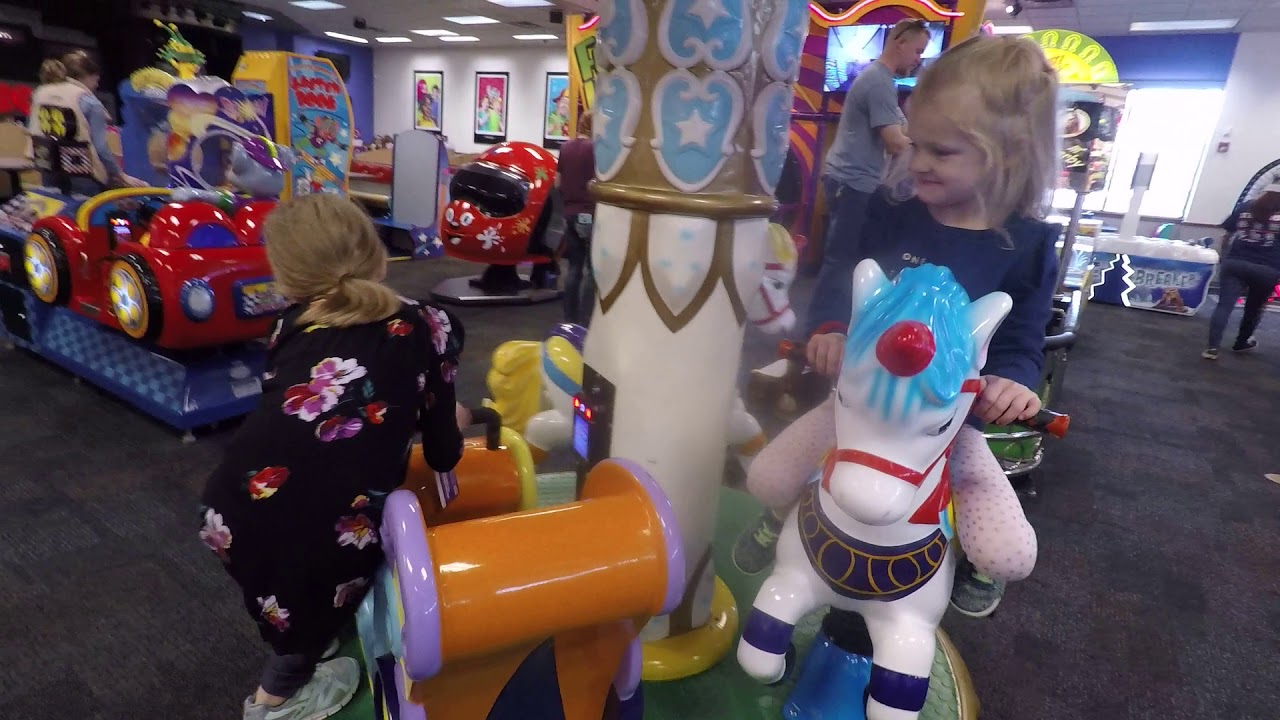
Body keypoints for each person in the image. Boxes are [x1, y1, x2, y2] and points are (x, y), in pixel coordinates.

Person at [734, 35, 1060, 623]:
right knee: (787, 465)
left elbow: (1022, 336)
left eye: (943, 151)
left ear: (1006, 156)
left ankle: (974, 559)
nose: (918, 161)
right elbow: (841, 272)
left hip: (938, 420)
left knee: (986, 502)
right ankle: (777, 516)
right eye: (915, 142)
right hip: (861, 401)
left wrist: (1012, 382)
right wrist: (831, 326)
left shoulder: (1027, 246)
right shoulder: (891, 212)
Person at [199, 194, 470, 720]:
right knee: (307, 602)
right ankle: (275, 702)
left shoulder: (289, 326)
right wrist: (450, 426)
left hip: (231, 497)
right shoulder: (429, 326)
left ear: (286, 276)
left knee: (291, 589)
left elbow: (301, 419)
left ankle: (307, 631)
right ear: (377, 254)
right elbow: (441, 453)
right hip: (322, 514)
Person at [805, 19, 930, 336]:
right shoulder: (878, 82)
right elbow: (894, 140)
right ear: (899, 42)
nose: (918, 59)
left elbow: (900, 132)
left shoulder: (881, 81)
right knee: (840, 262)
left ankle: (829, 330)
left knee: (846, 260)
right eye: (917, 51)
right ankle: (819, 334)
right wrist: (930, 147)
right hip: (853, 183)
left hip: (855, 182)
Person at [27, 51, 146, 194]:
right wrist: (119, 174)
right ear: (86, 77)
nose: (96, 85)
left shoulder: (41, 92)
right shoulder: (89, 102)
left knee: (55, 210)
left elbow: (32, 127)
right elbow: (100, 147)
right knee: (84, 213)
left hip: (47, 163)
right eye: (96, 80)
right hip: (81, 169)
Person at [1204, 184, 1280, 359]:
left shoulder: (1246, 207)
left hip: (1235, 263)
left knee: (1224, 305)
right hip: (1267, 269)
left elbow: (1227, 235)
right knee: (1254, 307)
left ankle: (1212, 348)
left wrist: (1224, 259)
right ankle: (1241, 342)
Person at [556, 112, 596, 326]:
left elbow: (557, 183)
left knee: (573, 268)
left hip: (569, 214)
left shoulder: (565, 148)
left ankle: (568, 318)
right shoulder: (595, 149)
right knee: (591, 269)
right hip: (589, 214)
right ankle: (585, 320)